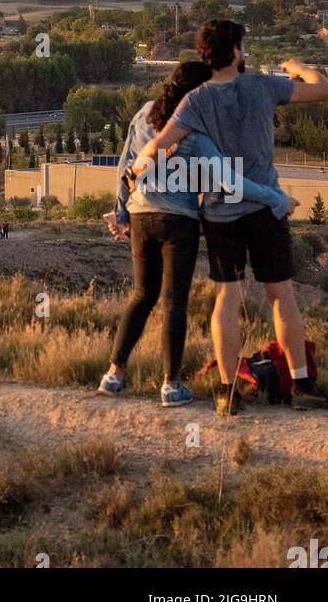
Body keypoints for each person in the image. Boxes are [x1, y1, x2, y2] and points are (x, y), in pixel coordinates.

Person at [136, 19, 328, 414]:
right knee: (281, 295)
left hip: (220, 212)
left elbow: (158, 143)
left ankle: (227, 392)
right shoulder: (263, 86)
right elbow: (322, 87)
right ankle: (301, 386)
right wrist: (296, 65)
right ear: (237, 50)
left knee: (227, 296)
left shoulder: (196, 101)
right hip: (264, 205)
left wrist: (141, 163)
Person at [98, 61, 289, 408]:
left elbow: (125, 164)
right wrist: (276, 197)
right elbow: (229, 182)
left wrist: (123, 212)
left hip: (142, 215)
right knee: (174, 301)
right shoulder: (197, 136)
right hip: (179, 221)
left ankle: (114, 375)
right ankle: (171, 385)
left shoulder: (143, 115)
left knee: (142, 295)